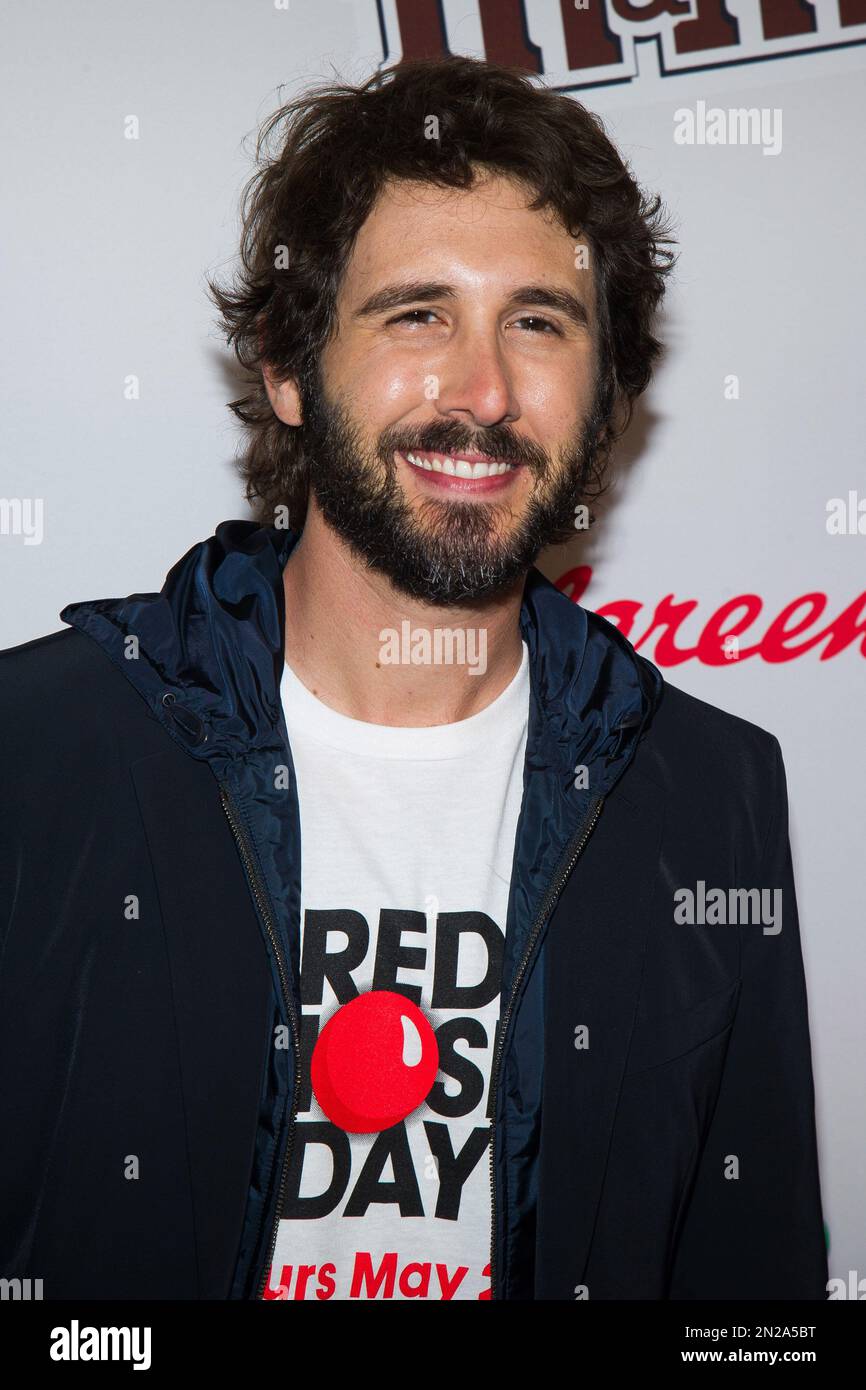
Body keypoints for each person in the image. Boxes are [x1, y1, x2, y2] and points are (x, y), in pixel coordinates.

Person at [0, 55, 827, 1301]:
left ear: (602, 392)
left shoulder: (706, 791)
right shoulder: (40, 749)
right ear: (288, 367)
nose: (483, 391)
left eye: (537, 322)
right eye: (416, 313)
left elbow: (746, 1277)